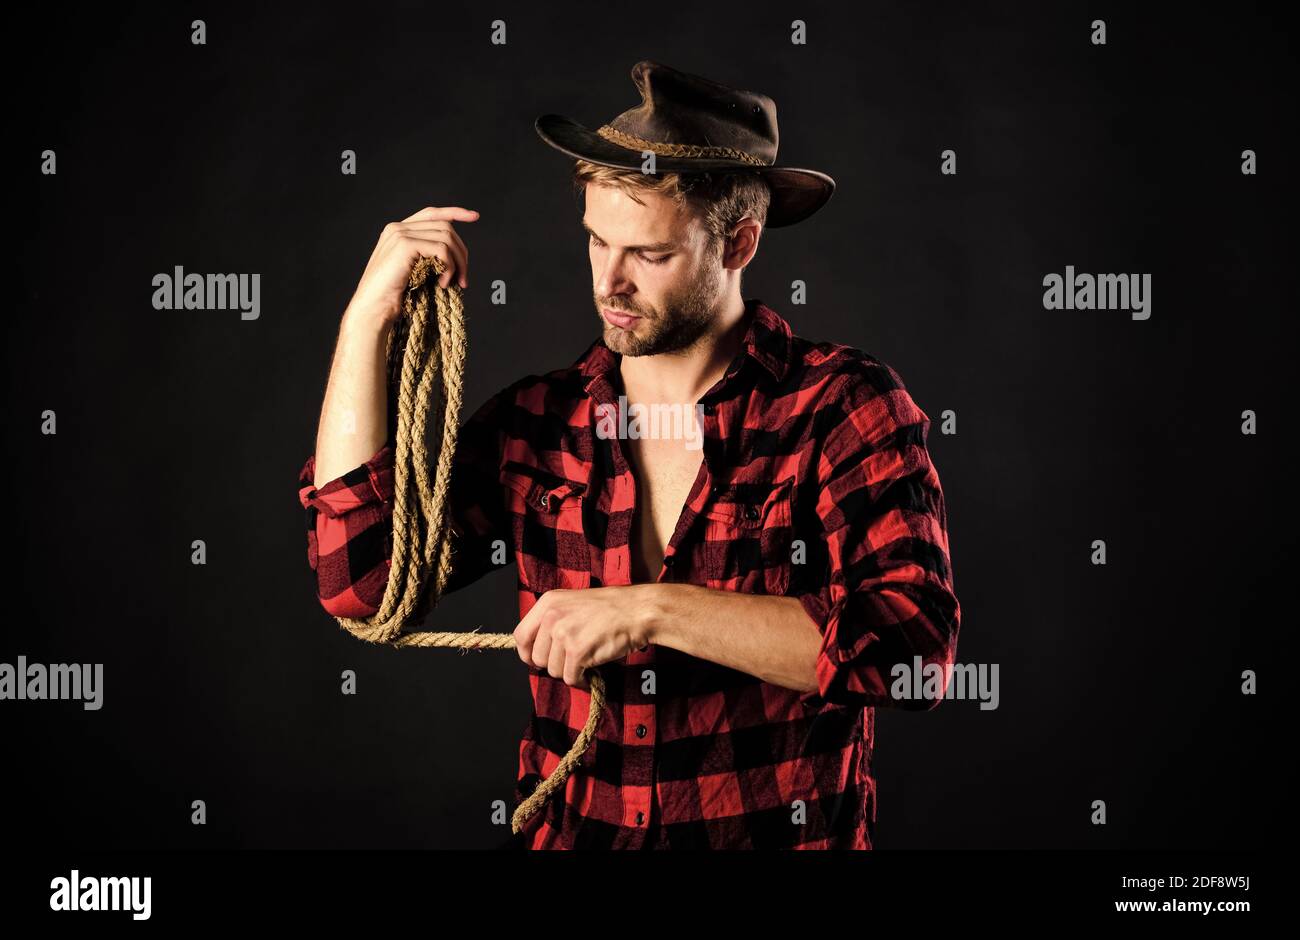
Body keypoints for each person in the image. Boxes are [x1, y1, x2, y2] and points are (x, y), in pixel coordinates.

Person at [298, 60, 961, 850]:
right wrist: (363, 322)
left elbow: (910, 651)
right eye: (594, 241)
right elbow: (358, 583)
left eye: (648, 254)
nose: (609, 281)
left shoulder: (842, 406)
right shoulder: (541, 421)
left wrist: (650, 608)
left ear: (739, 243)